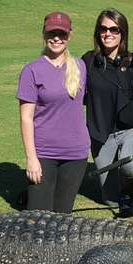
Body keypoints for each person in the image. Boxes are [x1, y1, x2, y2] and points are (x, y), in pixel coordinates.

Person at [17, 11, 89, 213]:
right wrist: (31, 158)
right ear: (44, 34)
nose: (56, 38)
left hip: (76, 154)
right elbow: (26, 118)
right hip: (44, 154)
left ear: (69, 35)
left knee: (63, 216)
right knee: (38, 217)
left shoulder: (81, 67)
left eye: (62, 33)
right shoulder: (31, 71)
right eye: (52, 33)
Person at [82, 9, 133, 218]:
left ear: (123, 33)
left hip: (130, 129)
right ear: (97, 32)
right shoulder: (88, 61)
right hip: (101, 133)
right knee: (109, 198)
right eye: (103, 29)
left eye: (114, 29)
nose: (108, 33)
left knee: (129, 166)